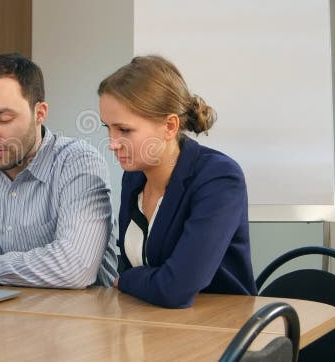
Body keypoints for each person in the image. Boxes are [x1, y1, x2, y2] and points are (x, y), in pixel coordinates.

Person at [0, 53, 118, 289]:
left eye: (4, 119)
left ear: (39, 113)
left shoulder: (79, 162)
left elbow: (75, 267)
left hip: (79, 310)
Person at [97, 55, 256, 308]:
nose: (112, 143)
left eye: (124, 130)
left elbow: (176, 289)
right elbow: (135, 264)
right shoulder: (134, 177)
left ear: (170, 126)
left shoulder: (219, 178)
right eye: (108, 127)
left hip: (218, 326)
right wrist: (140, 279)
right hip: (151, 320)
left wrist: (125, 280)